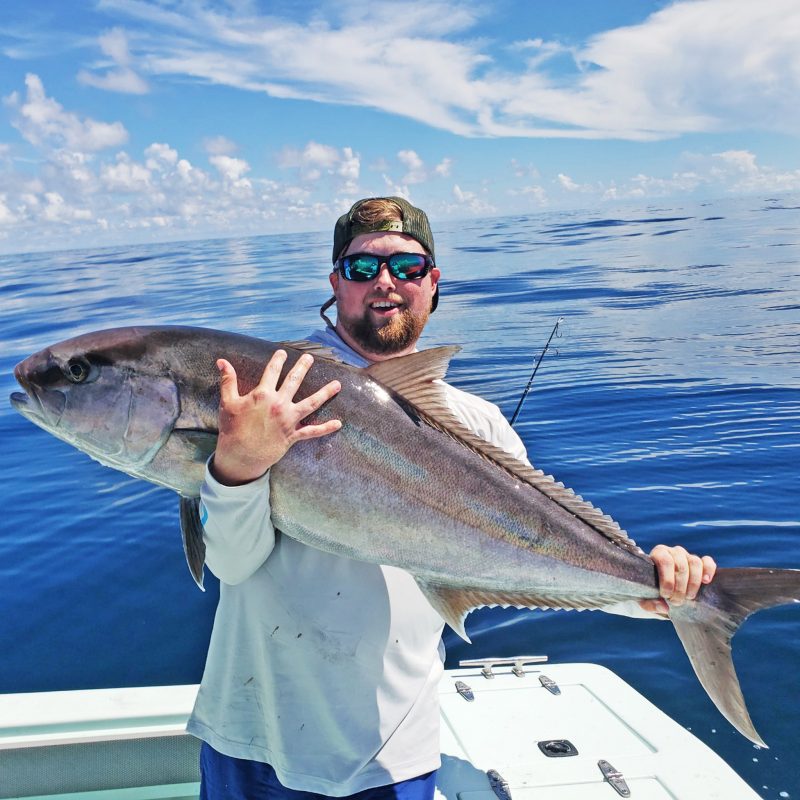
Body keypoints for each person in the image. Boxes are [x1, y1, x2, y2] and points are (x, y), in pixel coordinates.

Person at [186, 197, 717, 799]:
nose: (385, 282)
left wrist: (656, 590)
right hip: (254, 739)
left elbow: (535, 562)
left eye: (407, 267)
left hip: (394, 754)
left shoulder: (479, 425)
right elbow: (230, 563)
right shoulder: (263, 391)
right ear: (336, 283)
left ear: (432, 283)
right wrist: (237, 465)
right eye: (362, 268)